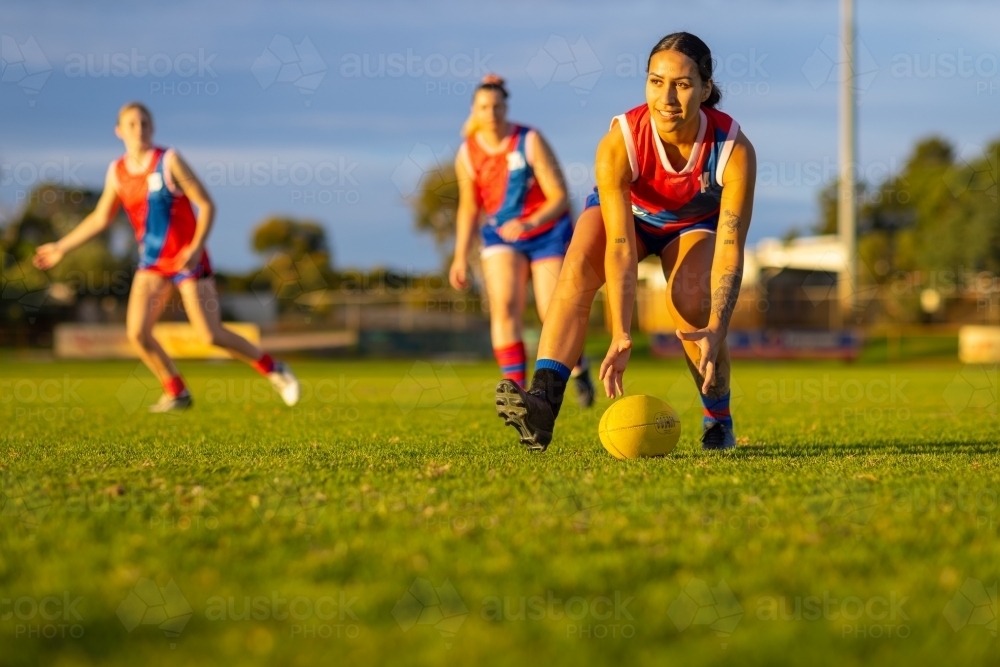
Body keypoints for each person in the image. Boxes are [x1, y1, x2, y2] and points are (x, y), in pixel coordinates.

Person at [495, 33, 756, 452]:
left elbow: (730, 249)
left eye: (683, 84)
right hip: (629, 218)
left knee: (691, 300)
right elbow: (620, 245)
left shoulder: (733, 149)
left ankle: (717, 420)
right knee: (577, 267)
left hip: (690, 224)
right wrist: (620, 333)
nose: (667, 97)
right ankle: (542, 403)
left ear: (706, 89)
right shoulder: (621, 140)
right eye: (656, 81)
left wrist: (716, 327)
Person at [33, 102, 300, 412]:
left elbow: (207, 204)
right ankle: (177, 392)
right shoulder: (117, 172)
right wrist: (61, 247)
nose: (139, 129)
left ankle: (274, 369)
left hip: (188, 258)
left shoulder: (169, 161)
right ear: (119, 131)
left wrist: (196, 247)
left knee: (210, 335)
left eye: (145, 123)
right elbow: (100, 218)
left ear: (153, 128)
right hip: (152, 264)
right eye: (132, 124)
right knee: (137, 333)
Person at [450, 74, 595, 407]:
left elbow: (559, 196)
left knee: (552, 312)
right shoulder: (467, 153)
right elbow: (469, 206)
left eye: (498, 106)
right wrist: (460, 256)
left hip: (547, 232)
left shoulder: (529, 140)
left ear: (506, 108)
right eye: (484, 107)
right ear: (474, 110)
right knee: (503, 305)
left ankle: (579, 368)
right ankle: (514, 392)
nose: (491, 113)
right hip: (502, 235)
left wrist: (530, 221)